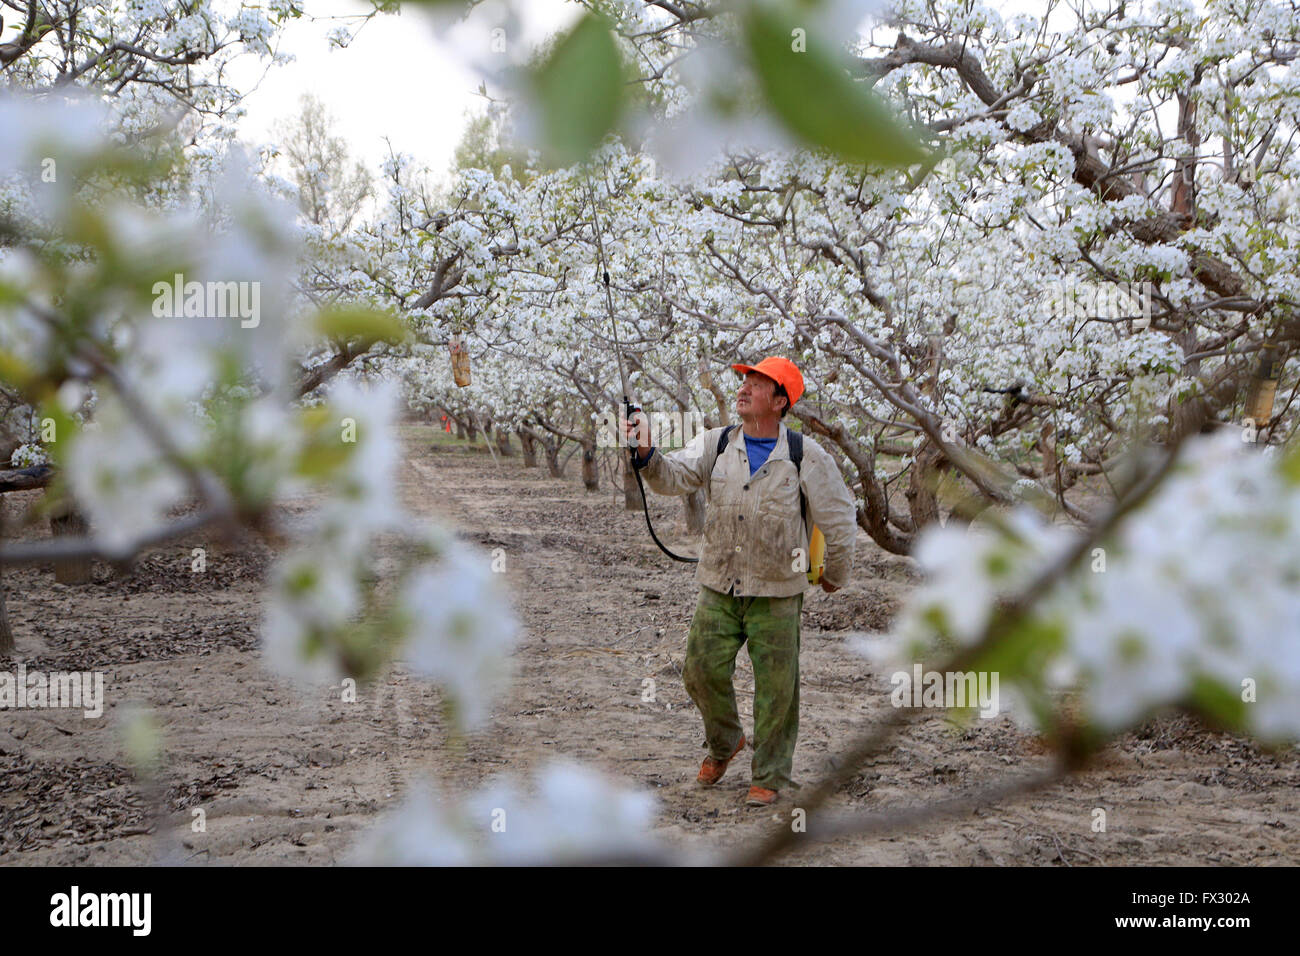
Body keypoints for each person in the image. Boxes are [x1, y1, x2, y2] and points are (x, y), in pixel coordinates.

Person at [625, 356, 857, 806]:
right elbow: (673, 477)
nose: (744, 388)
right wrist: (647, 453)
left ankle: (769, 776)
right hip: (719, 584)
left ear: (780, 400)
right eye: (744, 380)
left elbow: (839, 517)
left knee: (776, 690)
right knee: (698, 670)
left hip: (777, 591)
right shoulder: (716, 442)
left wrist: (835, 574)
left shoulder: (805, 455)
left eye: (757, 382)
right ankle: (725, 741)